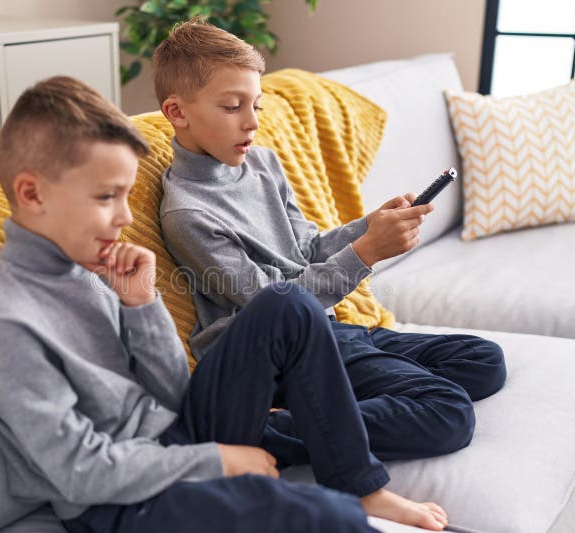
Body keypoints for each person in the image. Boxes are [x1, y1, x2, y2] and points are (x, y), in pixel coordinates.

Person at [0, 75, 451, 533]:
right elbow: (79, 474)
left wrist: (142, 306)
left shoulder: (88, 262)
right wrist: (217, 460)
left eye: (125, 196)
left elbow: (174, 393)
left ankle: (360, 484)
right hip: (122, 501)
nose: (125, 217)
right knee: (330, 518)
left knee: (288, 304)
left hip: (178, 435)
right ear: (31, 194)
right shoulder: (5, 320)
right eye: (107, 197)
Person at [155, 19, 507, 468]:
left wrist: (369, 226)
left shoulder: (262, 164)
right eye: (232, 107)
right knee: (448, 410)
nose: (252, 122)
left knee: (482, 360)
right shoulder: (188, 213)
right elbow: (278, 309)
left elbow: (306, 249)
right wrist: (367, 252)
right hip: (287, 354)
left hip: (334, 330)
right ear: (177, 112)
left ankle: (337, 403)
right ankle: (258, 433)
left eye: (257, 105)